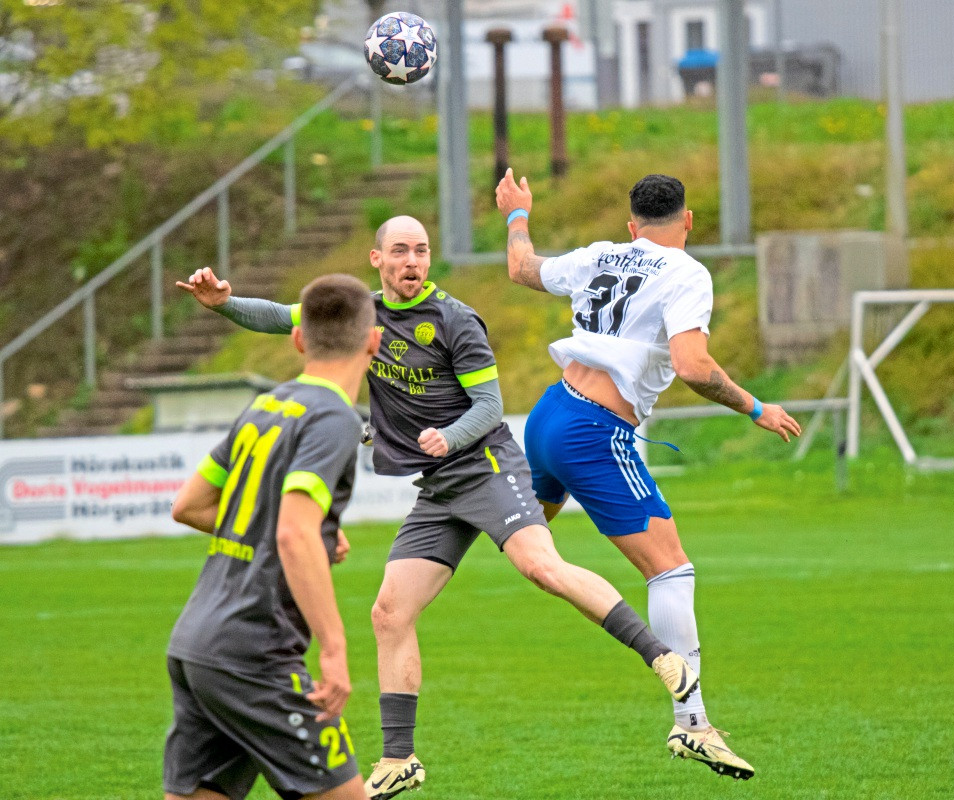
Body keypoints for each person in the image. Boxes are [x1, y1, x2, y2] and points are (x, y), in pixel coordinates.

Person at [176, 215, 699, 800]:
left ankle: (663, 659)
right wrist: (223, 303)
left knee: (540, 567)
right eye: (400, 251)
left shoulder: (454, 319)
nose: (412, 261)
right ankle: (399, 757)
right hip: (439, 486)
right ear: (377, 260)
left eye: (421, 251)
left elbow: (489, 406)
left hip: (485, 465)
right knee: (389, 612)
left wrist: (449, 437)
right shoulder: (362, 315)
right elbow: (279, 317)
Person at [495, 170, 803, 781]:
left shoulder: (603, 254)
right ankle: (692, 723)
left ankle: (448, 508)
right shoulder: (688, 274)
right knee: (670, 567)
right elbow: (693, 366)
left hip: (548, 413)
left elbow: (522, 268)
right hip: (593, 434)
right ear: (688, 220)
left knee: (525, 539)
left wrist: (517, 215)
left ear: (631, 227)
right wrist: (756, 407)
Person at [164, 273, 380, 800]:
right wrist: (333, 648)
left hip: (196, 644)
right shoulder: (335, 419)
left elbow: (189, 506)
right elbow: (292, 532)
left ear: (298, 338)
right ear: (374, 342)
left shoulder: (265, 405)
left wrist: (304, 535)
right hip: (253, 653)